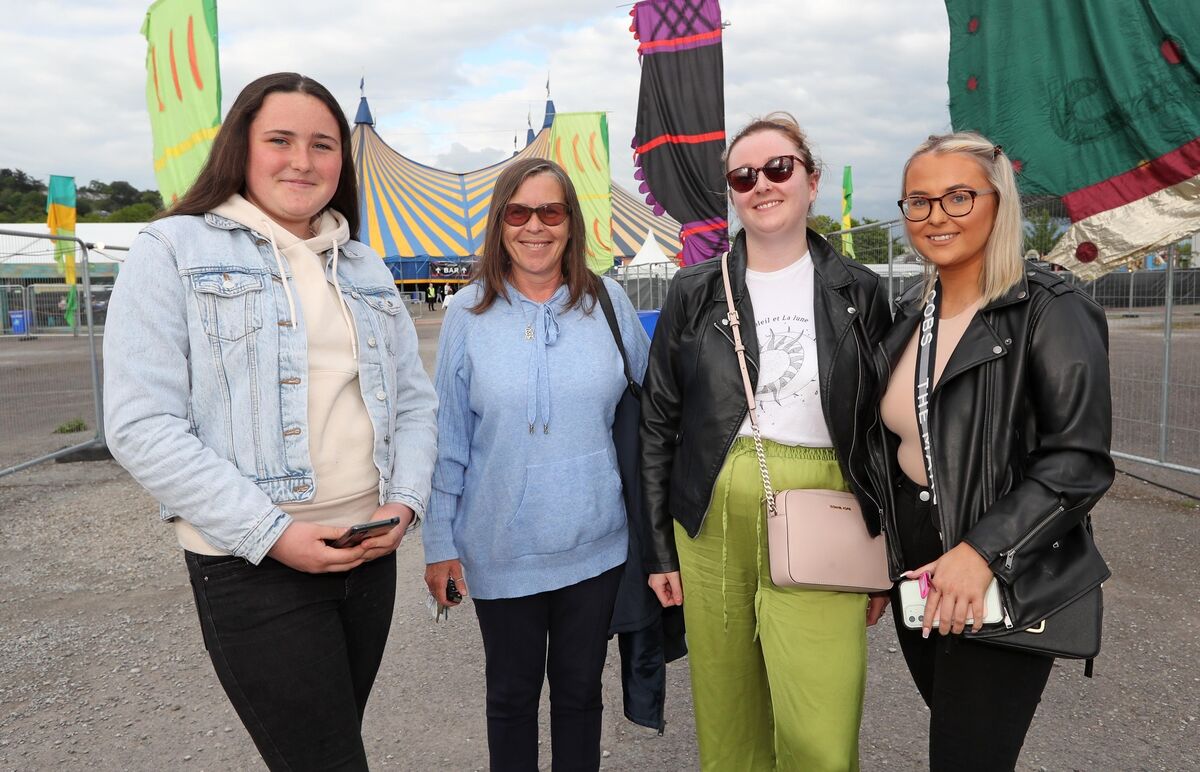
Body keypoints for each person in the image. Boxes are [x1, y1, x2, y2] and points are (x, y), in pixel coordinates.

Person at [103, 72, 438, 771]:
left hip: (368, 552)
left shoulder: (367, 266)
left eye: (322, 145)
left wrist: (406, 502)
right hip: (251, 560)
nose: (303, 161)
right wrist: (274, 533)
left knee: (330, 744)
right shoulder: (173, 249)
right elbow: (141, 423)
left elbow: (413, 402)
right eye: (279, 140)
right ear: (239, 149)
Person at [639, 112, 892, 771]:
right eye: (743, 176)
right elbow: (657, 424)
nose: (762, 184)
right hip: (709, 516)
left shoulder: (861, 293)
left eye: (779, 168)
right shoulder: (694, 291)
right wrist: (660, 550)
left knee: (821, 734)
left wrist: (890, 546)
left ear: (810, 180)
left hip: (824, 510)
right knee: (729, 725)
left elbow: (880, 433)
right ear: (731, 191)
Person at [878, 132, 1113, 770]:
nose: (937, 217)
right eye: (919, 202)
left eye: (959, 197)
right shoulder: (909, 313)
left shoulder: (1050, 307)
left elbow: (1078, 462)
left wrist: (983, 552)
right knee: (961, 740)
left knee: (966, 756)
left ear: (998, 201)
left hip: (996, 563)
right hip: (921, 566)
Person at [422, 157, 649, 772]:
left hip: (596, 545)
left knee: (580, 696)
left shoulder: (608, 303)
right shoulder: (467, 316)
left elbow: (654, 418)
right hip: (500, 547)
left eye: (550, 212)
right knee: (512, 698)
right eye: (518, 212)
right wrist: (439, 541)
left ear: (571, 223)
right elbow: (449, 439)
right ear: (499, 224)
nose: (535, 227)